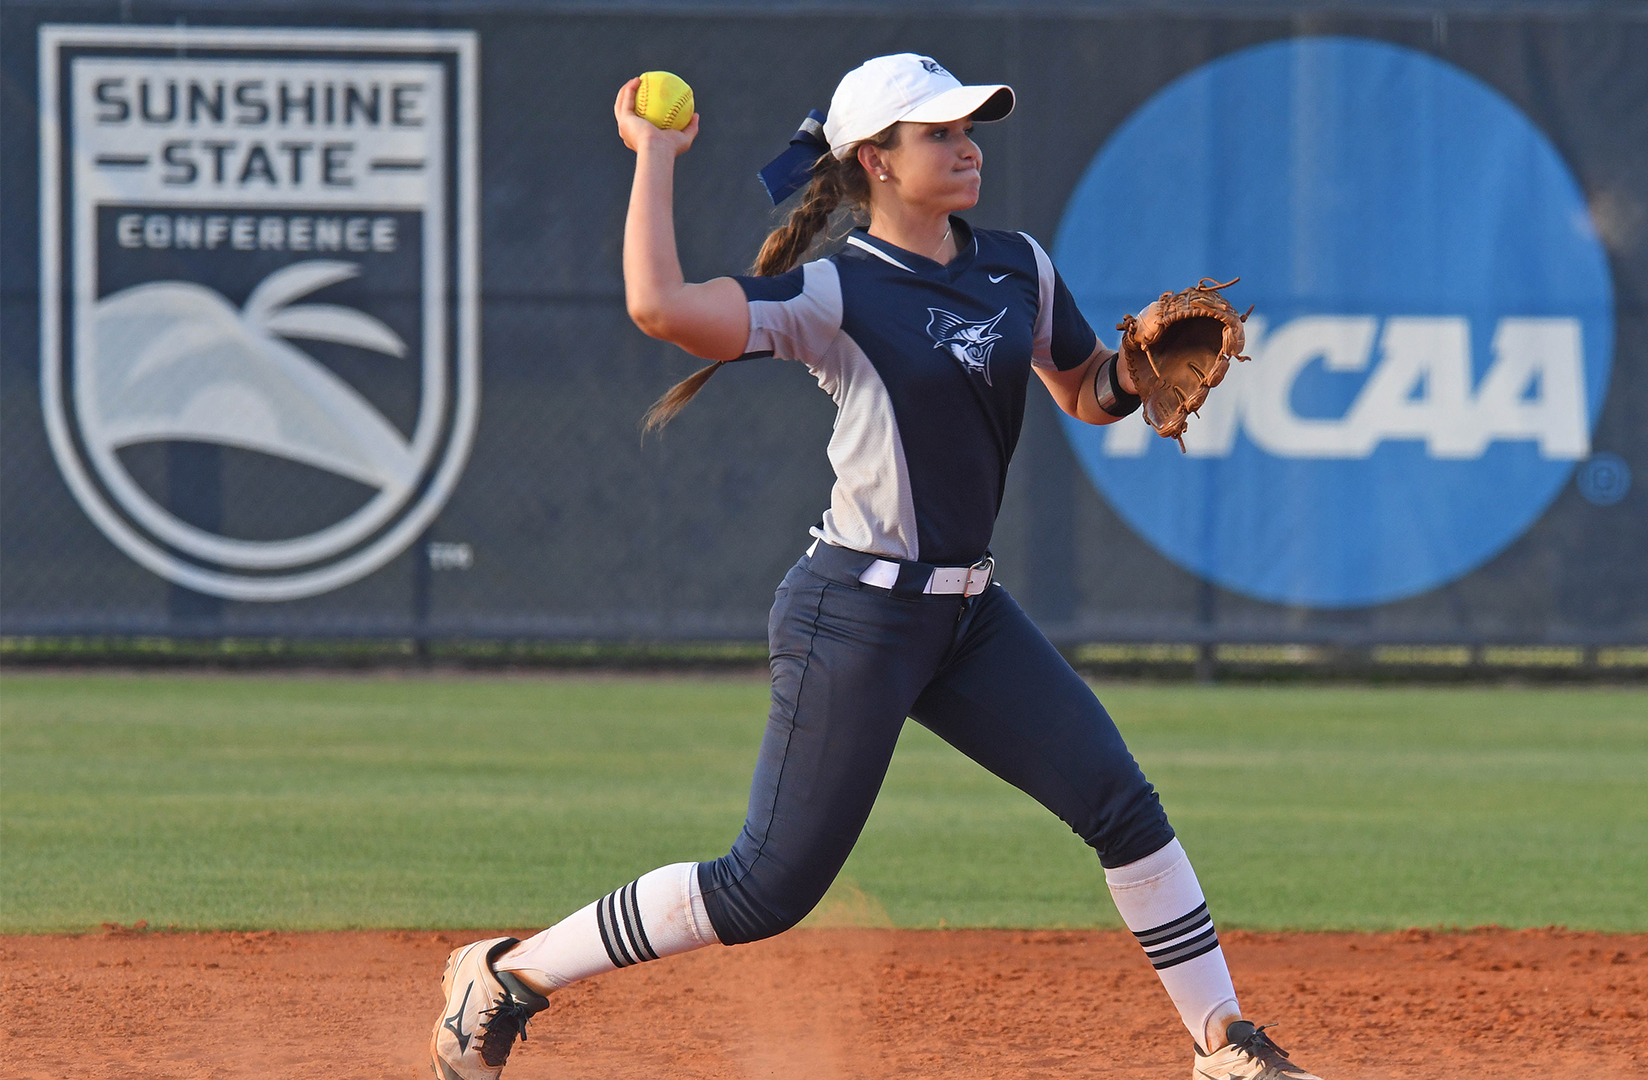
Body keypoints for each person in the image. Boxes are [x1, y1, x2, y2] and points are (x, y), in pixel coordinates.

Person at [429, 53, 1325, 1080]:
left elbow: (1081, 387)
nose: (967, 141)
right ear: (876, 162)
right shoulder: (836, 294)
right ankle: (506, 973)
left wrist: (1129, 374)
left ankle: (1223, 1044)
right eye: (938, 131)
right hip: (853, 614)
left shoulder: (1014, 267)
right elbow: (660, 306)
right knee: (765, 888)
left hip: (968, 618)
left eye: (970, 123)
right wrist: (657, 156)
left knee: (1121, 805)